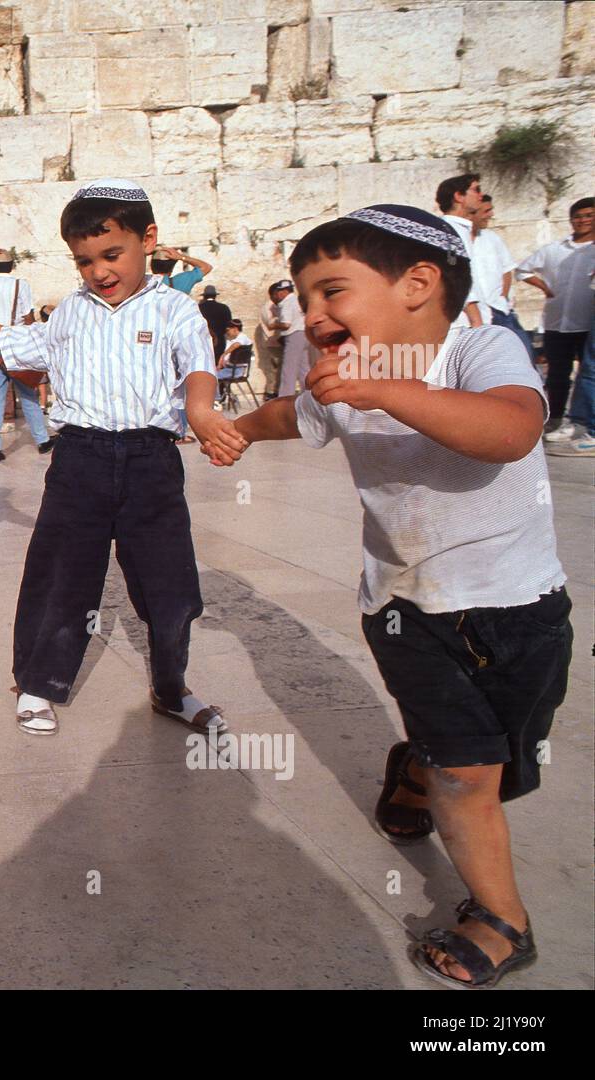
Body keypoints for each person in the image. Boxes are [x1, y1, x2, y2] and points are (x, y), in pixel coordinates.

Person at [223, 204, 571, 989]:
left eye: (332, 292)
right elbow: (293, 413)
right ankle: (502, 918)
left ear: (418, 284)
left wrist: (383, 392)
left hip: (522, 611)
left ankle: (413, 768)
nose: (312, 317)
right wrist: (240, 428)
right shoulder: (340, 388)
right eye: (304, 301)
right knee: (471, 775)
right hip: (406, 609)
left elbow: (511, 430)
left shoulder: (480, 349)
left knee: (506, 759)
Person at [0, 178, 242, 736]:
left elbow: (197, 368)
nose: (98, 271)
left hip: (152, 462)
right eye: (84, 261)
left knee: (169, 586)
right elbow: (24, 345)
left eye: (111, 254)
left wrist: (200, 411)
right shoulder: (70, 313)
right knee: (60, 575)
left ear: (147, 240)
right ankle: (38, 683)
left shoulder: (176, 310)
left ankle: (171, 687)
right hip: (80, 459)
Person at [517, 196, 595, 455]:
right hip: (556, 322)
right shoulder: (554, 249)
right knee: (558, 375)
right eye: (579, 216)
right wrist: (544, 287)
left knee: (588, 375)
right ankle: (557, 418)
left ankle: (580, 422)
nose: (583, 220)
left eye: (588, 215)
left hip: (586, 323)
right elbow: (522, 270)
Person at [0, 249, 51, 462]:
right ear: (12, 266)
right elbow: (28, 317)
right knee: (28, 393)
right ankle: (42, 441)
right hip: (16, 341)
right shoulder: (21, 284)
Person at [471, 194, 533, 361]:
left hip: (500, 310)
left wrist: (502, 297)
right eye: (486, 211)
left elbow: (506, 269)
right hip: (474, 316)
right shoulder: (456, 239)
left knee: (523, 359)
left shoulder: (492, 239)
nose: (490, 215)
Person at [434, 173, 490, 327]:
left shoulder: (460, 229)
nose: (481, 195)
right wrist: (476, 320)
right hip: (465, 324)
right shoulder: (451, 230)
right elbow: (455, 275)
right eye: (476, 190)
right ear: (459, 196)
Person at [270, 278, 310, 396]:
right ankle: (310, 396)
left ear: (283, 292)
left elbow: (286, 324)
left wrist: (274, 325)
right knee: (304, 369)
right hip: (305, 334)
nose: (277, 294)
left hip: (294, 335)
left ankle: (284, 398)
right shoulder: (297, 300)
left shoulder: (286, 303)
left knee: (289, 369)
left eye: (278, 291)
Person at [257, 283, 285, 399]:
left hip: (278, 342)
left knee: (279, 370)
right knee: (274, 371)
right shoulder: (268, 307)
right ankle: (271, 393)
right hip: (273, 343)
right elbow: (270, 324)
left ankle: (276, 392)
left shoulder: (278, 306)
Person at [216, 319, 253, 405]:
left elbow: (236, 345)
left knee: (212, 376)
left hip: (236, 371)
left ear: (235, 329)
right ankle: (227, 396)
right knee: (216, 372)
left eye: (228, 330)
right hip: (232, 369)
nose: (227, 333)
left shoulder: (242, 338)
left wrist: (223, 355)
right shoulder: (234, 339)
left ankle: (216, 400)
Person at [197, 284, 233, 360]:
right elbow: (228, 325)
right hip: (220, 342)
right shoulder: (224, 308)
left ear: (204, 296)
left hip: (202, 342)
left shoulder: (198, 308)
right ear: (215, 296)